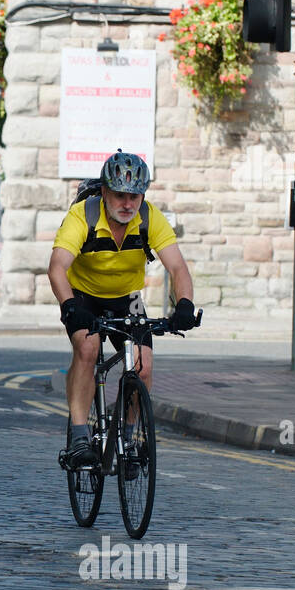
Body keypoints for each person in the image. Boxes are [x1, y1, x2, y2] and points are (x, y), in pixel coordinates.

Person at [47, 149, 197, 469]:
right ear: (104, 192)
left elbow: (178, 267)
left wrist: (184, 304)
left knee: (142, 365)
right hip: (82, 294)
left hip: (125, 296)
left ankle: (127, 438)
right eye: (119, 196)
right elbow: (57, 267)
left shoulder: (149, 218)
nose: (127, 204)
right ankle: (78, 437)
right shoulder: (83, 216)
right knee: (87, 349)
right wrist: (70, 306)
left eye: (135, 196)